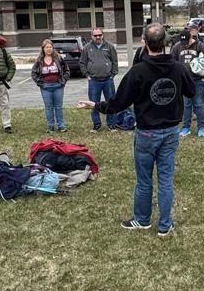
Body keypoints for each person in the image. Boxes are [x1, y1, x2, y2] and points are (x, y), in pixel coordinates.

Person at [78, 23, 195, 237]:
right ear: (165, 43)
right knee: (165, 180)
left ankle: (148, 221)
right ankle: (162, 224)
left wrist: (95, 105)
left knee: (145, 180)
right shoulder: (172, 68)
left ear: (144, 42)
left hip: (150, 134)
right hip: (168, 131)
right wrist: (98, 105)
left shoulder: (146, 70)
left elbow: (117, 104)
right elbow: (190, 91)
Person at [171, 22, 204, 138]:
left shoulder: (200, 46)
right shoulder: (177, 46)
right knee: (186, 105)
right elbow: (172, 62)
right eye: (183, 43)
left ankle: (201, 128)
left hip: (198, 81)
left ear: (192, 37)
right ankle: (186, 127)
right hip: (184, 82)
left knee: (199, 105)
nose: (185, 45)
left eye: (187, 42)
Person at [79, 28, 119, 132]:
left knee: (111, 103)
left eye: (99, 35)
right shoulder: (87, 48)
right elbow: (82, 63)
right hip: (94, 81)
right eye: (95, 35)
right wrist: (87, 75)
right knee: (93, 103)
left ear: (102, 35)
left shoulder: (110, 46)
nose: (98, 37)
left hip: (108, 80)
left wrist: (113, 74)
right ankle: (96, 125)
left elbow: (114, 61)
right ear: (92, 36)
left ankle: (111, 124)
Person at [31, 39, 71, 133]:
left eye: (50, 47)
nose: (49, 49)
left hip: (58, 86)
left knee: (58, 107)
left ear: (53, 48)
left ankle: (61, 126)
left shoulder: (58, 58)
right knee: (48, 107)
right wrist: (40, 83)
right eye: (46, 47)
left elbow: (67, 71)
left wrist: (63, 81)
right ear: (43, 49)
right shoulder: (39, 61)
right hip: (46, 87)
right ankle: (50, 126)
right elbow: (34, 73)